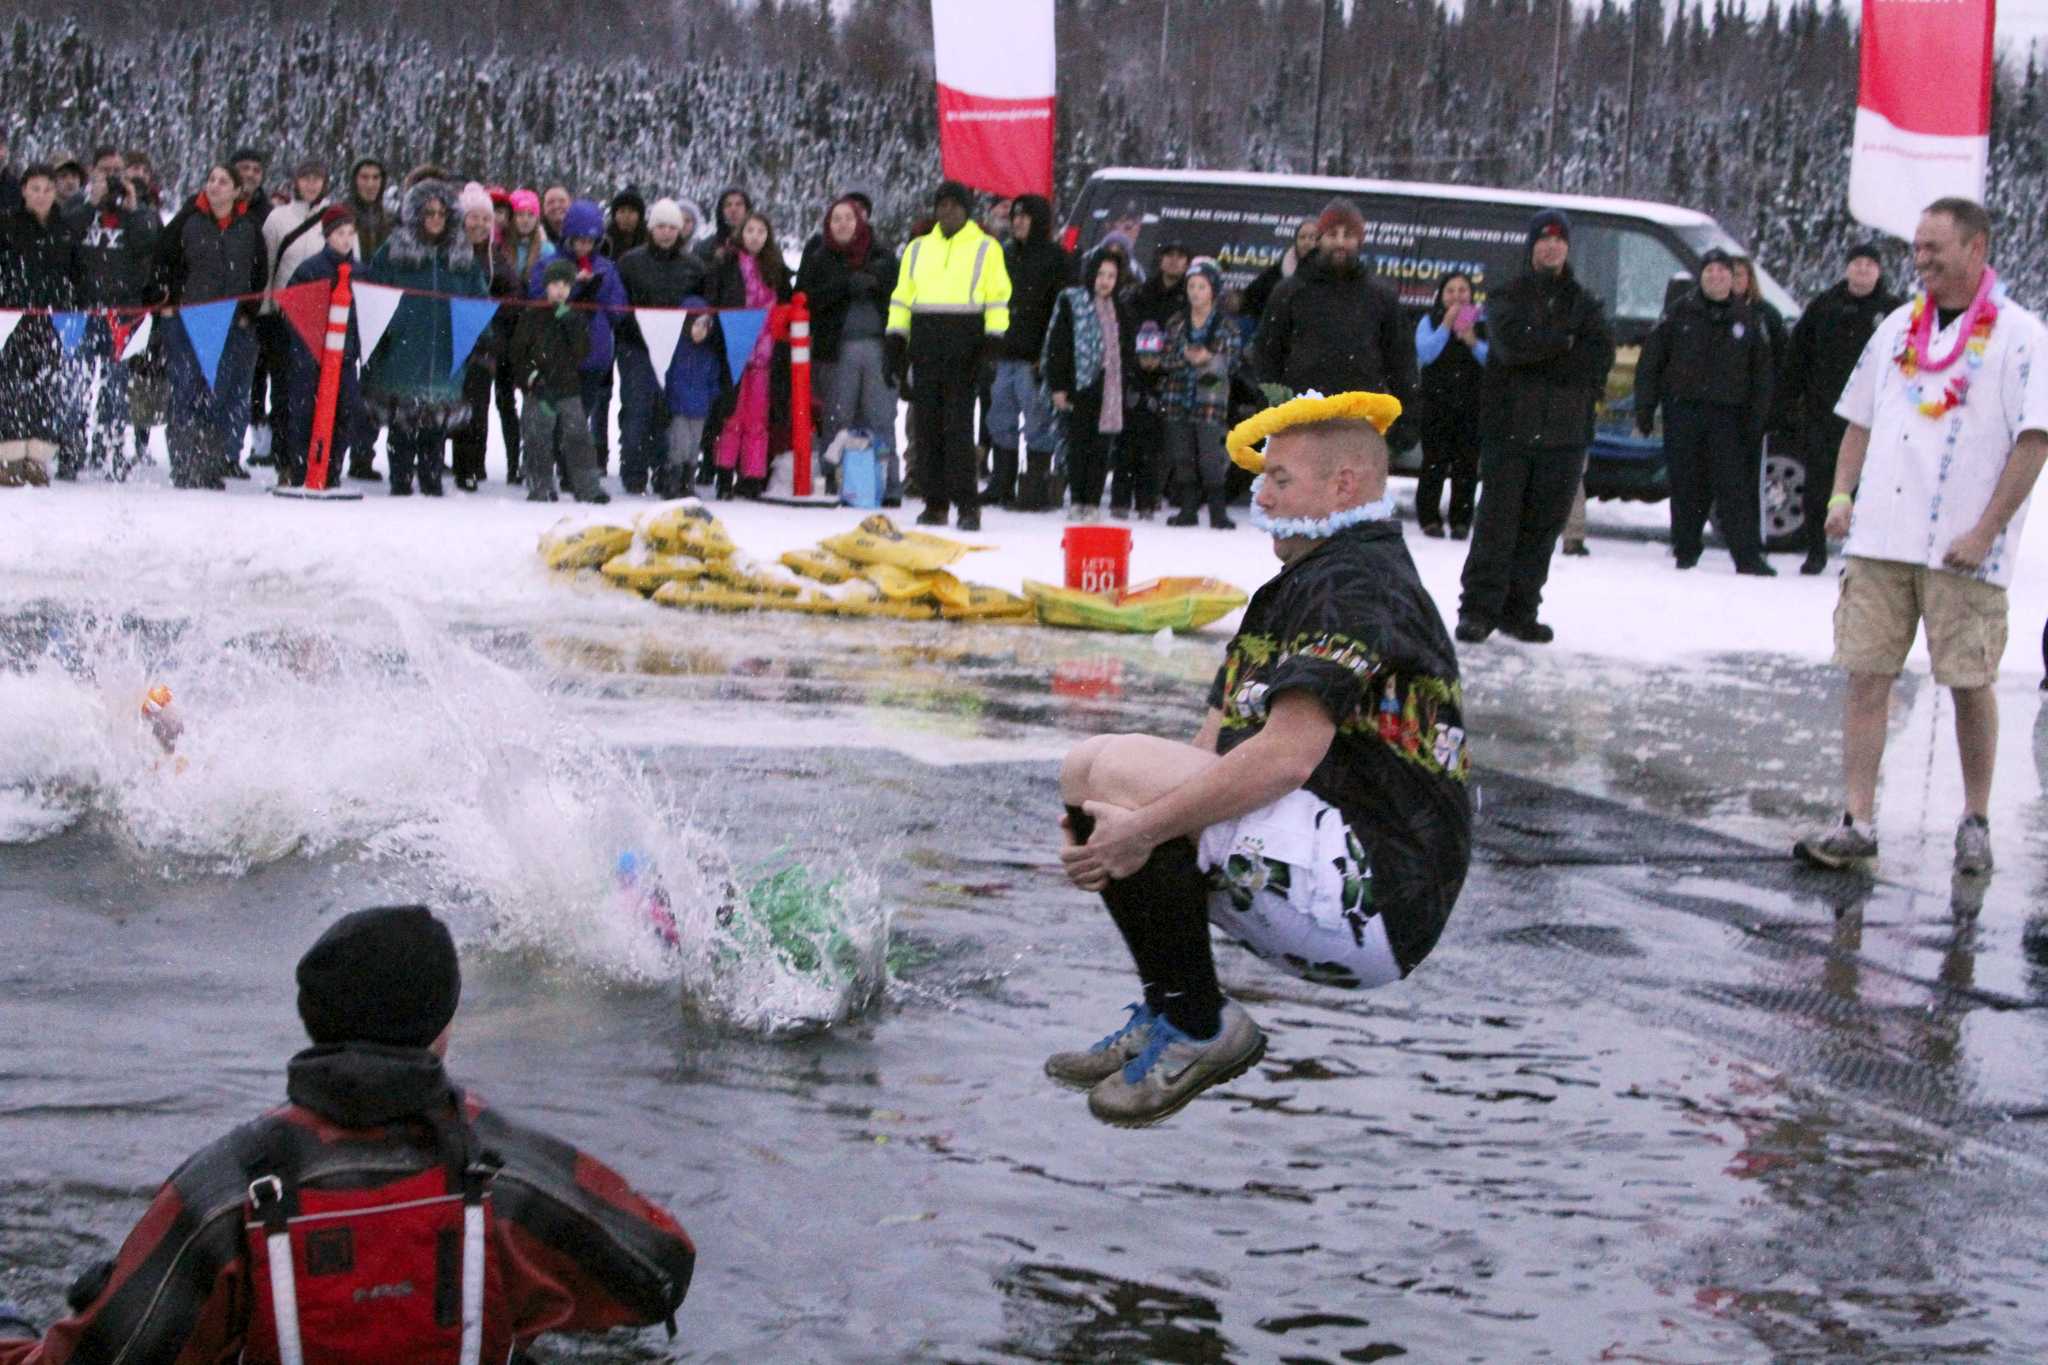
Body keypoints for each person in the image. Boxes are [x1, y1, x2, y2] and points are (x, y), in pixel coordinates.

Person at [0, 905, 693, 1363]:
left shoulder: (229, 1186)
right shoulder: (503, 1170)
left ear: (314, 1022)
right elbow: (661, 1269)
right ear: (441, 1028)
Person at [1052, 390, 1469, 1126]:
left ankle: (1203, 1025)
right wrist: (1099, 829)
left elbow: (1285, 759)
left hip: (1376, 892)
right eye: (1262, 477)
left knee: (1114, 781)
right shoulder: (1300, 584)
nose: (1260, 494)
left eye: (1279, 478)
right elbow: (1208, 752)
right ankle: (1172, 1009)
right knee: (1092, 781)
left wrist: (1143, 829)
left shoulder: (1357, 585)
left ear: (1344, 486)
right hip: (1328, 873)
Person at [1793, 198, 2048, 877]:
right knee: (1866, 675)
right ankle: (1856, 818)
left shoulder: (2022, 336)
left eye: (1936, 247)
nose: (1922, 260)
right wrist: (1841, 495)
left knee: (1969, 682)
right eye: (1918, 248)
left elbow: (2033, 442)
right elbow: (1858, 421)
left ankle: (1975, 817)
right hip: (1881, 539)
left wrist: (1987, 528)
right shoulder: (1897, 328)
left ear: (1976, 248)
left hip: (1962, 547)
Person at [1455, 209, 1614, 645]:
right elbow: (1509, 347)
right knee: (1497, 524)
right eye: (1544, 240)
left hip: (1565, 435)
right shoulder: (1508, 294)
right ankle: (1478, 610)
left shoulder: (1584, 302)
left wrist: (1547, 351)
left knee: (1542, 527)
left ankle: (1520, 610)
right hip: (1510, 430)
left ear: (1567, 247)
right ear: (1532, 247)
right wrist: (1563, 344)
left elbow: (1597, 356)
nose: (1551, 247)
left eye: (1559, 240)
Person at [1632, 247, 1776, 574]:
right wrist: (1645, 406)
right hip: (1684, 411)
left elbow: (1762, 375)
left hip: (1730, 417)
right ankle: (1685, 550)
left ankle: (1746, 556)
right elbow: (1651, 362)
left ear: (1733, 278)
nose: (1716, 277)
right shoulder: (1678, 313)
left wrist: (1758, 418)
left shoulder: (1748, 319)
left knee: (1734, 489)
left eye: (1722, 272)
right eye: (1709, 272)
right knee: (1685, 485)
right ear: (1701, 276)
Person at [887, 180, 1012, 532]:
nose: (947, 211)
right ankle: (935, 503)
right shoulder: (916, 249)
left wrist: (992, 346)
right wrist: (895, 340)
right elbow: (901, 298)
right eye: (942, 205)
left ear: (967, 210)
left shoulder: (987, 249)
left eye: (955, 205)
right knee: (926, 432)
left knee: (958, 432)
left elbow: (998, 300)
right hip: (925, 349)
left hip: (966, 350)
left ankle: (968, 507)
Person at [361, 178, 489, 496]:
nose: (435, 219)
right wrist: (386, 333)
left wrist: (481, 336)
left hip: (445, 349)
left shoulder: (462, 258)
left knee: (435, 422)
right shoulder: (392, 252)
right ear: (416, 215)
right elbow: (373, 297)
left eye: (441, 213)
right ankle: (400, 479)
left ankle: (431, 478)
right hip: (401, 350)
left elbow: (478, 300)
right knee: (402, 422)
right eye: (428, 212)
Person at [1778, 244, 1900, 575]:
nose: (1862, 270)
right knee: (1818, 484)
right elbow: (1797, 356)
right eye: (1857, 263)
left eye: (1869, 265)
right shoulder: (1824, 306)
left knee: (1866, 487)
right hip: (1823, 411)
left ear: (1878, 272)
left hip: (1873, 417)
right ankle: (1816, 550)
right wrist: (1787, 401)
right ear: (1847, 269)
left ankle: (1856, 553)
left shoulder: (1894, 311)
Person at [1255, 200, 1417, 428]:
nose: (1340, 242)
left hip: (1361, 422)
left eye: (1348, 235)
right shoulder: (1290, 291)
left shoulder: (1381, 295)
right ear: (1320, 239)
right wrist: (1271, 408)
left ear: (1359, 241)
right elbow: (1267, 355)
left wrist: (1404, 424)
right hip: (1302, 420)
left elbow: (1401, 362)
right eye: (1332, 234)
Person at [155, 163, 267, 489]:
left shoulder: (248, 227)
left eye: (223, 182)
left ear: (236, 191)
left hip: (231, 324)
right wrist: (168, 302)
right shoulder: (187, 221)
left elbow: (258, 273)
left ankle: (209, 464)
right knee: (186, 393)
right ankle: (185, 464)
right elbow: (164, 261)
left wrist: (250, 310)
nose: (215, 186)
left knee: (218, 397)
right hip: (187, 321)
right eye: (211, 180)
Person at [797, 194, 902, 504]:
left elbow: (899, 296)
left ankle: (888, 483)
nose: (842, 224)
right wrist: (843, 286)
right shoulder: (820, 258)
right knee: (836, 418)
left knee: (880, 419)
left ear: (861, 221)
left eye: (848, 218)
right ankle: (834, 479)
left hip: (879, 348)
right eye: (836, 219)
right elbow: (806, 299)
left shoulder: (882, 256)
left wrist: (875, 284)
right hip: (836, 349)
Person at [64, 156, 157, 478]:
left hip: (123, 314)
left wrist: (131, 210)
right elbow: (65, 238)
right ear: (93, 173)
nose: (112, 177)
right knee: (76, 386)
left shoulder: (139, 212)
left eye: (118, 172)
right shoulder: (79, 206)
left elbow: (149, 246)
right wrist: (91, 204)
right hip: (83, 310)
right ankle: (71, 452)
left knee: (115, 390)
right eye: (105, 171)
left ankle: (111, 450)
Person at [614, 197, 707, 495]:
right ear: (651, 229)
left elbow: (702, 306)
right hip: (636, 347)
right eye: (661, 226)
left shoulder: (693, 266)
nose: (666, 233)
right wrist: (639, 329)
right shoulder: (630, 262)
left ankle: (665, 470)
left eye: (672, 227)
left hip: (677, 350)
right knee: (636, 410)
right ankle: (633, 470)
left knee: (667, 412)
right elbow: (619, 305)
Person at [530, 199, 627, 480]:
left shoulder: (607, 269)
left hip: (593, 354)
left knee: (580, 415)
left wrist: (598, 297)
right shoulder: (551, 265)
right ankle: (547, 463)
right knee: (555, 413)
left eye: (589, 241)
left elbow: (619, 309)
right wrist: (573, 292)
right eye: (578, 241)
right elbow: (537, 296)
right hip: (558, 353)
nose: (584, 247)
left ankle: (570, 467)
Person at [983, 193, 1068, 510]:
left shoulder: (1056, 259)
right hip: (1003, 354)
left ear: (1039, 221)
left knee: (1037, 425)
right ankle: (1001, 483)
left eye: (1024, 216)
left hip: (1035, 359)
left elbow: (1060, 314)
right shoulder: (1003, 256)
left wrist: (1047, 356)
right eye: (1014, 216)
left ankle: (1035, 486)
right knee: (998, 420)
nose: (1017, 221)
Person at [1041, 248, 1135, 523]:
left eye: (1112, 275)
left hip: (1109, 389)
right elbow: (1058, 346)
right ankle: (1078, 499)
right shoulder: (1073, 301)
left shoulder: (1120, 308)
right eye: (1101, 274)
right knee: (1078, 446)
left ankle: (1092, 502)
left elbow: (1126, 347)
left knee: (1101, 448)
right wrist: (1058, 386)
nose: (1105, 281)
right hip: (1078, 385)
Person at [254, 158, 334, 471]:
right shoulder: (278, 219)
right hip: (285, 317)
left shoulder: (336, 218)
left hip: (328, 319)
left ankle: (318, 457)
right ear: (295, 182)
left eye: (317, 178)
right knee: (285, 392)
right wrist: (265, 309)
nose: (311, 184)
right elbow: (268, 265)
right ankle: (285, 457)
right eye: (306, 178)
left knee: (320, 392)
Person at [0, 165, 80, 476]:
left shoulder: (65, 229)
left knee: (46, 388)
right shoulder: (7, 225)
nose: (42, 195)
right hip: (12, 320)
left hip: (53, 321)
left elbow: (76, 272)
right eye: (35, 189)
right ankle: (9, 456)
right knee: (10, 387)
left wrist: (75, 303)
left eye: (47, 189)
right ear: (23, 191)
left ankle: (37, 458)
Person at [511, 257, 610, 504]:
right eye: (555, 284)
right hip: (539, 390)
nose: (560, 290)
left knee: (578, 437)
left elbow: (582, 351)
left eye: (565, 285)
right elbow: (518, 354)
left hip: (568, 388)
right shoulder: (531, 316)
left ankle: (588, 487)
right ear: (546, 286)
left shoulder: (575, 317)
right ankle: (540, 485)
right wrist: (532, 378)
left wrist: (570, 323)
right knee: (536, 437)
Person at [279, 205, 362, 490]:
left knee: (345, 410)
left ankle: (333, 468)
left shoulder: (360, 272)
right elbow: (291, 308)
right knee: (304, 412)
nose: (346, 240)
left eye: (350, 234)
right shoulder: (310, 269)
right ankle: (303, 469)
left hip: (347, 358)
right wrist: (307, 345)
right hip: (308, 357)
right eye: (340, 233)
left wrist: (356, 348)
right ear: (327, 236)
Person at [711, 210, 791, 499]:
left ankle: (752, 475)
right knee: (731, 415)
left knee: (757, 418)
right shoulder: (728, 264)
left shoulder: (776, 269)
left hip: (766, 353)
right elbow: (715, 299)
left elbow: (785, 305)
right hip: (735, 345)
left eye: (761, 232)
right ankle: (723, 472)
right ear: (741, 234)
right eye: (750, 231)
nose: (755, 237)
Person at [1160, 258, 1241, 529]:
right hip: (1177, 396)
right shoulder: (1176, 323)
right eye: (1191, 286)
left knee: (1210, 455)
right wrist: (1183, 358)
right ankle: (1188, 509)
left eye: (1201, 287)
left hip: (1210, 399)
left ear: (1213, 291)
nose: (1195, 292)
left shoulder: (1225, 326)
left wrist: (1209, 358)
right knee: (1183, 455)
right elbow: (1164, 358)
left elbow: (1232, 361)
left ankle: (1218, 511)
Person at [450, 182, 517, 493]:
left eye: (485, 219)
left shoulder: (496, 257)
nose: (478, 224)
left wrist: (493, 326)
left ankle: (471, 467)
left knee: (477, 408)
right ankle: (436, 461)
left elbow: (514, 298)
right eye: (472, 217)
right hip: (449, 341)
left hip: (483, 345)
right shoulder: (448, 252)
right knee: (444, 404)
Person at [1412, 271, 1488, 538]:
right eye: (1451, 291)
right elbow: (1426, 353)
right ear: (1441, 296)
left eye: (1463, 290)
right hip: (1436, 404)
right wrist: (1445, 326)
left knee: (1466, 465)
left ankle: (1461, 520)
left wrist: (1472, 341)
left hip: (1471, 405)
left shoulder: (1481, 322)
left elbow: (1494, 361)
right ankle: (1429, 517)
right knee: (1434, 462)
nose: (1457, 296)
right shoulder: (1429, 320)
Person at [1120, 240, 1189, 519]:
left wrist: (1165, 361)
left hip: (1170, 376)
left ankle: (1151, 497)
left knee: (1160, 445)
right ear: (1159, 260)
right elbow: (1128, 327)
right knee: (1129, 442)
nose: (1173, 261)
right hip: (1137, 374)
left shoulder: (1189, 296)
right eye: (1168, 255)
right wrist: (1138, 359)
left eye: (1179, 256)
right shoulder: (1142, 292)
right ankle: (1122, 498)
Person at [501, 189, 556, 485]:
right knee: (503, 399)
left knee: (531, 395)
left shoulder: (546, 251)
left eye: (529, 215)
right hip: (504, 329)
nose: (523, 220)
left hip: (533, 334)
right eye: (519, 215)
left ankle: (528, 456)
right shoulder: (501, 247)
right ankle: (511, 459)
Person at [659, 298, 724, 497]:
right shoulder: (676, 349)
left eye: (705, 326)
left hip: (700, 409)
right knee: (679, 445)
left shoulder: (709, 353)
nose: (700, 331)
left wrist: (711, 397)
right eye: (696, 325)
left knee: (694, 447)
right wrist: (668, 399)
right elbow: (667, 376)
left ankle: (688, 483)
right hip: (679, 407)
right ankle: (673, 482)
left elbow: (714, 379)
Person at [1241, 217, 1319, 330]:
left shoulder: (1333, 275)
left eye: (1313, 238)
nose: (1307, 242)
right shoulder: (1277, 272)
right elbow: (1250, 300)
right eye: (1302, 237)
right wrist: (1237, 301)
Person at [345, 157, 392, 256]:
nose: (370, 184)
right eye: (364, 177)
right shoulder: (341, 215)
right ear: (355, 181)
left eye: (375, 178)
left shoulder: (390, 219)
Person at [698, 187, 752, 266]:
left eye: (739, 204)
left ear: (747, 210)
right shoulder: (706, 247)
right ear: (721, 211)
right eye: (728, 205)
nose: (733, 209)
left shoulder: (757, 246)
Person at [602, 186, 649, 260]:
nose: (626, 216)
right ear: (615, 215)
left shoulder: (649, 243)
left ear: (640, 216)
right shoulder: (605, 242)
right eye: (622, 211)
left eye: (632, 211)